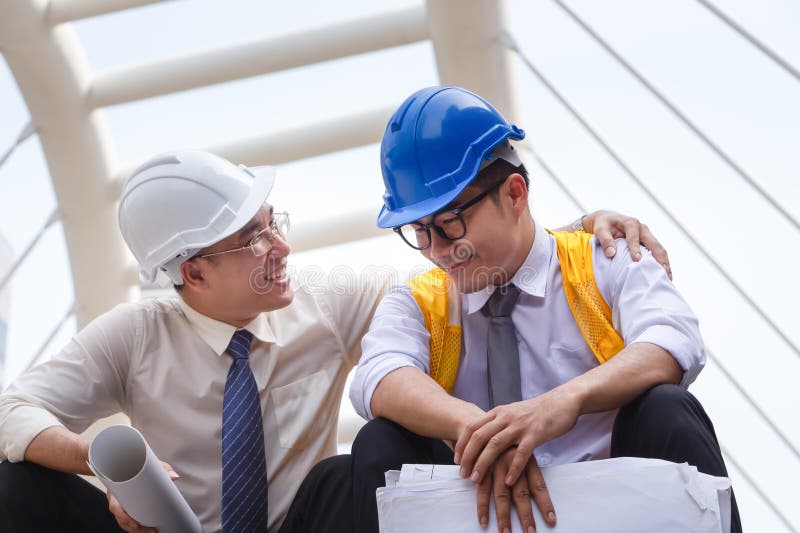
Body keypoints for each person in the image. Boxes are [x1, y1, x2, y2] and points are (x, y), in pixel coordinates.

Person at [0, 148, 660, 532]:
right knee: (17, 486)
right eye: (253, 238)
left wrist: (571, 229)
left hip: (299, 526)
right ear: (192, 272)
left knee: (355, 468)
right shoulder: (136, 334)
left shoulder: (330, 302)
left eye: (271, 221)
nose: (281, 246)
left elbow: (460, 273)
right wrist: (93, 456)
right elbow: (11, 410)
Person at [349, 86, 741, 533]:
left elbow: (672, 341)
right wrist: (482, 432)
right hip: (481, 511)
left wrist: (561, 403)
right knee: (378, 442)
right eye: (419, 231)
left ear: (515, 194)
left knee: (667, 409)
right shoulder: (418, 302)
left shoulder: (603, 259)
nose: (437, 251)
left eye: (450, 223)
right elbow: (378, 377)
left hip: (618, 507)